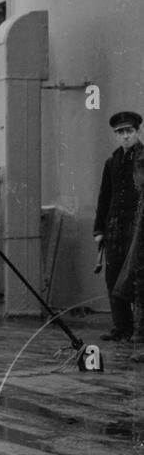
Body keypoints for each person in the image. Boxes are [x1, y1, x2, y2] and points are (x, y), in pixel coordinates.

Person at [95, 110, 142, 341]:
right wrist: (99, 230)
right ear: (116, 135)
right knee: (113, 278)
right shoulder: (111, 163)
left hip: (138, 230)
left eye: (129, 131)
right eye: (121, 132)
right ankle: (122, 328)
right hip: (114, 230)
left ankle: (138, 331)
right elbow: (104, 198)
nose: (125, 136)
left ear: (137, 132)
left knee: (136, 279)